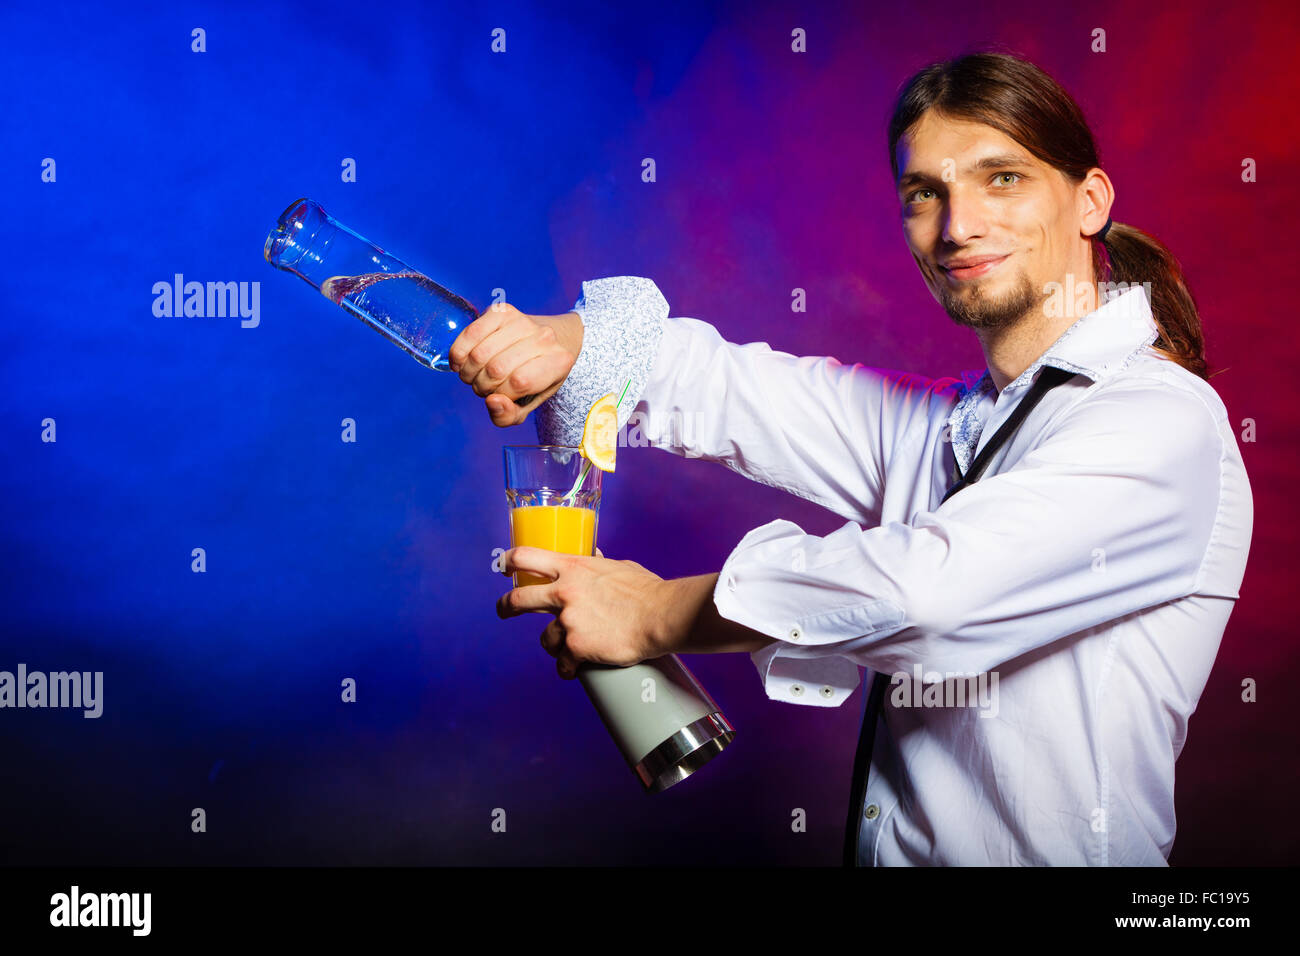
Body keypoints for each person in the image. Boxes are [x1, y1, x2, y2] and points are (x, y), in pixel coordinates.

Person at [446, 51, 1253, 866]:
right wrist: (568, 343)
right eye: (924, 193)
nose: (959, 225)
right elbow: (733, 388)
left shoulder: (1158, 419)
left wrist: (656, 613)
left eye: (1001, 178)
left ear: (1090, 202)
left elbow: (929, 593)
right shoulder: (950, 426)